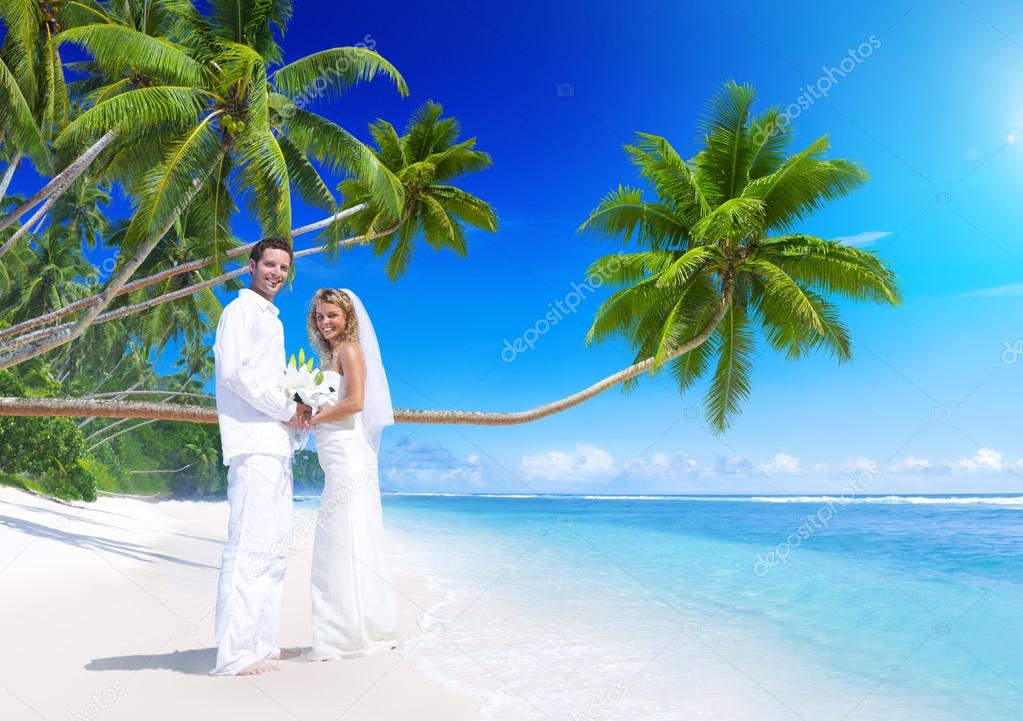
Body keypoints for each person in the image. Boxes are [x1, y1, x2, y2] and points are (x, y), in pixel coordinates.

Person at [210, 237, 311, 676]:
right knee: (249, 548)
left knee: (274, 552)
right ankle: (233, 655)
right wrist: (288, 409)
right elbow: (234, 373)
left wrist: (298, 413)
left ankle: (262, 643)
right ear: (251, 266)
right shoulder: (240, 311)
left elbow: (269, 381)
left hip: (276, 448)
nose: (276, 273)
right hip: (252, 446)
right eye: (269, 264)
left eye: (283, 268)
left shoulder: (271, 319)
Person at [305, 287, 399, 659]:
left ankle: (349, 635)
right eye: (320, 316)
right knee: (340, 536)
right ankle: (352, 627)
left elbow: (356, 402)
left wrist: (314, 418)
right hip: (334, 455)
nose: (325, 322)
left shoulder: (349, 351)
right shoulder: (328, 357)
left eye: (332, 315)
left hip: (348, 455)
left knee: (344, 536)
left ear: (348, 318)